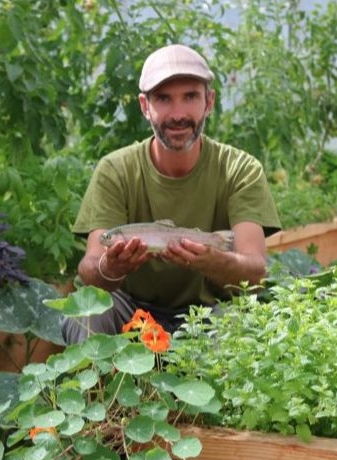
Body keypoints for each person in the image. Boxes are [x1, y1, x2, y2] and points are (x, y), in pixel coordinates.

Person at [62, 44, 281, 344]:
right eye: (164, 99)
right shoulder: (115, 169)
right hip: (131, 310)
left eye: (190, 96)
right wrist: (111, 268)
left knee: (245, 323)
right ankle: (100, 392)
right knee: (86, 312)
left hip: (209, 314)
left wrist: (209, 259)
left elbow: (256, 273)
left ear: (209, 102)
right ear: (144, 105)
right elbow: (90, 269)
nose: (178, 114)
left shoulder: (240, 169)